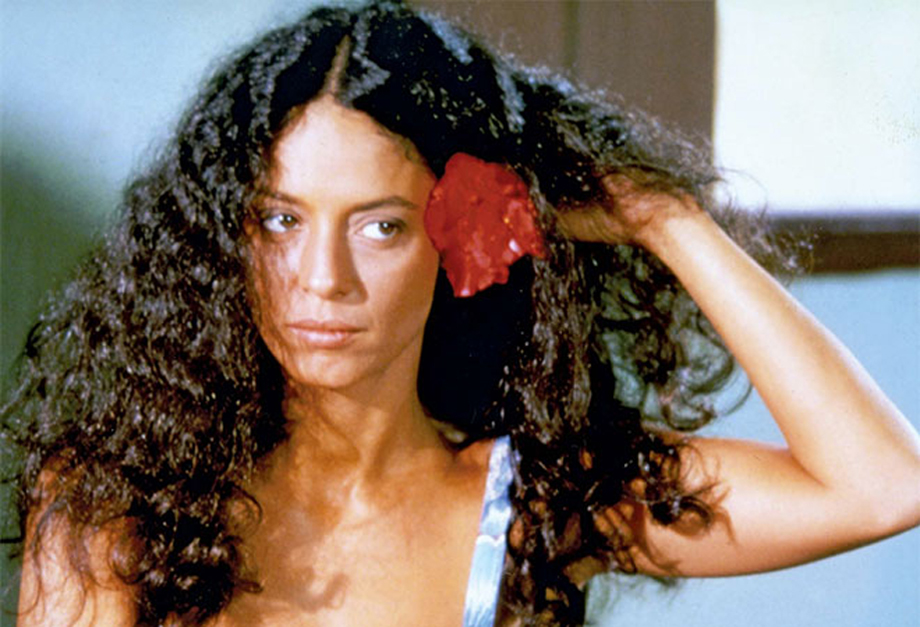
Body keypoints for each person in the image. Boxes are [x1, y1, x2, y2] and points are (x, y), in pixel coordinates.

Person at [2, 2, 918, 626]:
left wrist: (660, 216)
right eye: (280, 221)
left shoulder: (535, 502)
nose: (323, 278)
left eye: (381, 226)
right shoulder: (112, 505)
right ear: (220, 235)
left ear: (454, 237)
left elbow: (883, 486)